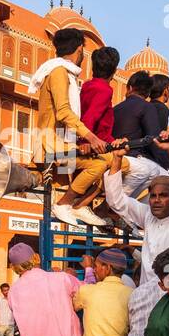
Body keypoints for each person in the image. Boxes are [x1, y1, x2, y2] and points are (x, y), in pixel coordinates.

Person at [105, 128, 169, 291]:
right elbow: (116, 201)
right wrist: (117, 158)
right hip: (147, 293)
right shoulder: (148, 215)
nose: (156, 200)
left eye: (163, 195)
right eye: (153, 196)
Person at [29, 27, 108, 227]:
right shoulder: (58, 72)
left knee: (111, 162)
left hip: (60, 144)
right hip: (49, 146)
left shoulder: (64, 73)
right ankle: (67, 204)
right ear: (80, 49)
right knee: (100, 164)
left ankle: (77, 205)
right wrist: (91, 138)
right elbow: (64, 112)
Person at [55, 45, 120, 226]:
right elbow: (90, 117)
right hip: (92, 144)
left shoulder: (87, 86)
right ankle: (87, 206)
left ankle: (86, 206)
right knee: (124, 165)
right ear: (114, 71)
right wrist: (86, 141)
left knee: (110, 166)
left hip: (83, 142)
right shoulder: (104, 90)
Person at [72, 248, 132, 336]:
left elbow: (73, 307)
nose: (94, 270)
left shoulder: (86, 291)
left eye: (96, 266)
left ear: (107, 268)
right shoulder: (132, 294)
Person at [113, 69, 169, 193]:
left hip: (115, 153)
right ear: (148, 92)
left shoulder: (116, 108)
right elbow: (154, 140)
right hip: (133, 157)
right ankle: (114, 205)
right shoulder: (147, 107)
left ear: (129, 88)